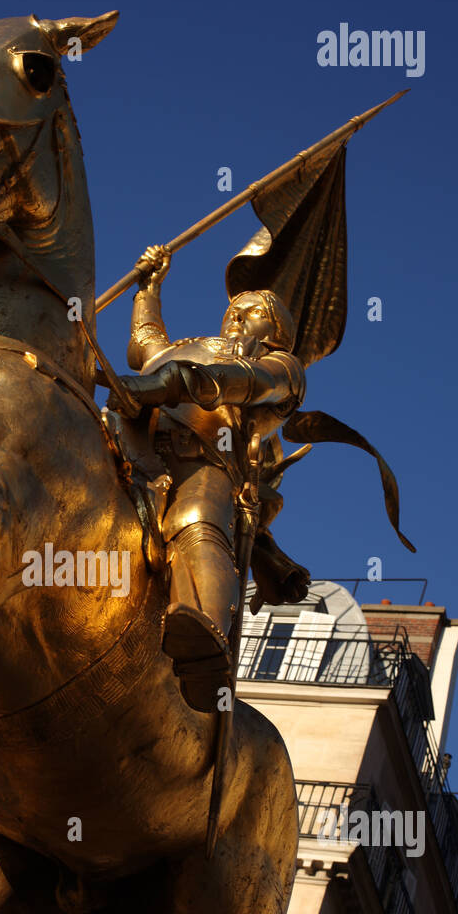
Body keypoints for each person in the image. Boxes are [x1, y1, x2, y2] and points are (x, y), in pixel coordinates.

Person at [120, 244, 310, 712]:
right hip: (130, 443)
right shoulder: (188, 346)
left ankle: (205, 641)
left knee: (195, 521)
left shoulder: (283, 367)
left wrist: (165, 385)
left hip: (200, 463)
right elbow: (146, 347)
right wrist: (149, 289)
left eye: (252, 313)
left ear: (276, 332)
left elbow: (234, 381)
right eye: (234, 310)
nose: (237, 317)